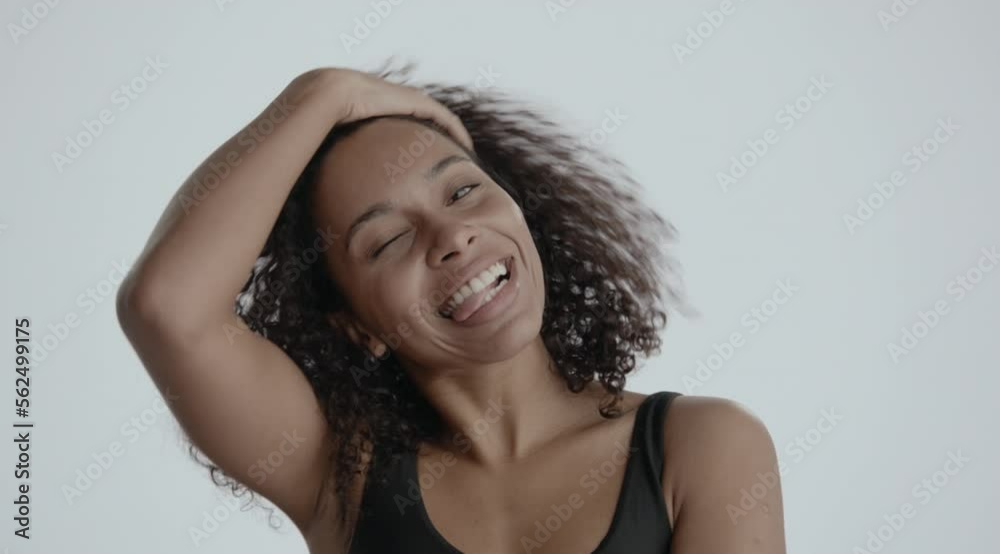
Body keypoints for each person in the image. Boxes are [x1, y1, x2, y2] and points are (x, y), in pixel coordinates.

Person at [116, 62, 787, 553]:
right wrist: (322, 92)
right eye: (388, 240)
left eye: (464, 192)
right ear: (356, 325)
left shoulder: (702, 446)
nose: (452, 236)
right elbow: (167, 306)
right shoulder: (337, 475)